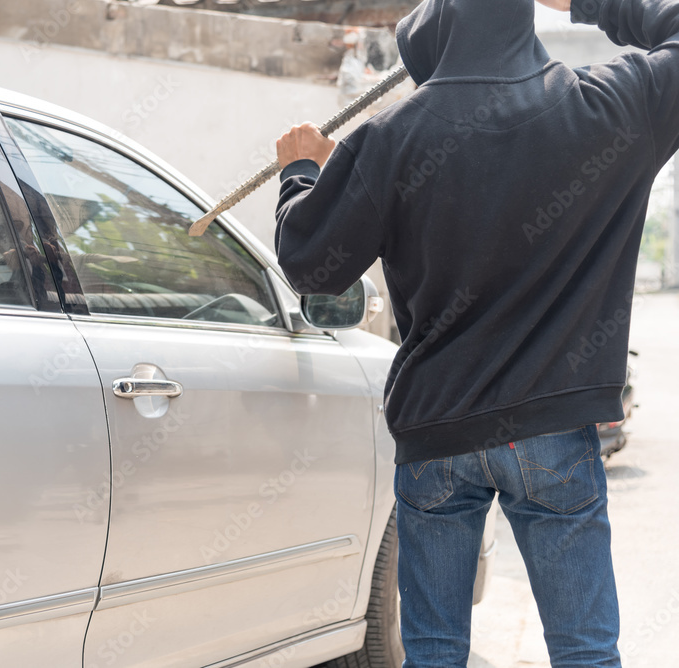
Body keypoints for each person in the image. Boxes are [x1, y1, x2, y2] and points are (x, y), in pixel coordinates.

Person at [274, 0, 678, 664]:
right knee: (585, 651)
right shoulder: (612, 108)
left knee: (434, 652)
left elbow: (312, 265)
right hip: (554, 429)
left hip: (436, 432)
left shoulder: (390, 138)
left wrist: (305, 175)